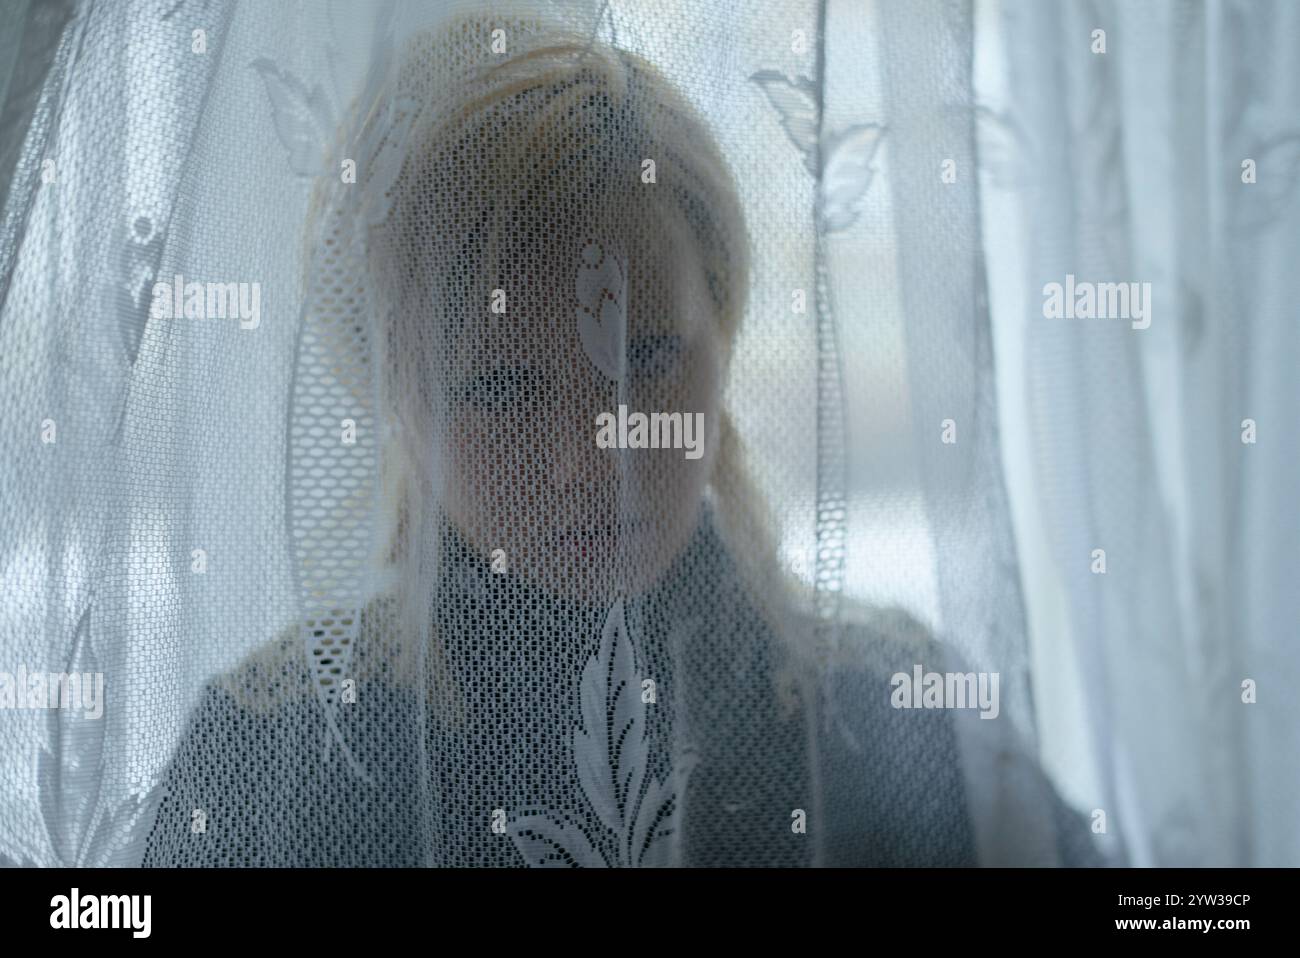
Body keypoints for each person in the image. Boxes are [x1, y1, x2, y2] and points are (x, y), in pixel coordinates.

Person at [142, 13, 1101, 868]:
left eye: (647, 358)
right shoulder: (271, 753)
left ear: (721, 340)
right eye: (502, 389)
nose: (595, 460)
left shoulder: (894, 706)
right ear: (395, 395)